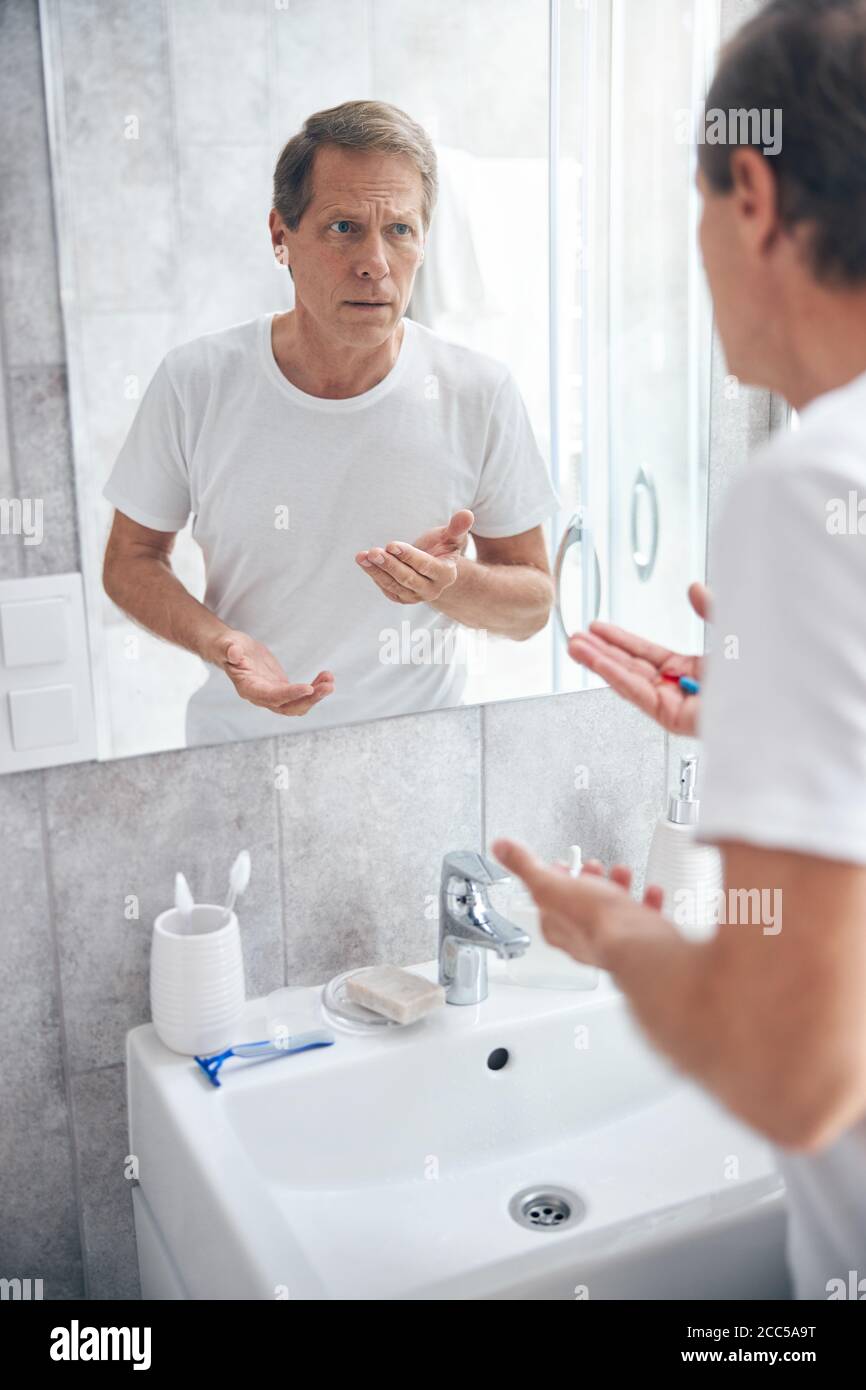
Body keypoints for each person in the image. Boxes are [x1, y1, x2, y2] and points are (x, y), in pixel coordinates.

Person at [494, 0, 866, 1299]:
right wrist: (767, 719)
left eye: (697, 203)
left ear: (751, 193)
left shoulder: (808, 482)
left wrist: (614, 938)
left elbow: (792, 1071)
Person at [102, 101, 558, 746]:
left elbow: (534, 605)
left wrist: (452, 587)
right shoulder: (195, 382)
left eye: (399, 229)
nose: (374, 261)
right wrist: (221, 642)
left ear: (424, 241)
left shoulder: (479, 391)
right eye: (344, 227)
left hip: (420, 758)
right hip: (240, 748)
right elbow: (131, 560)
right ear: (280, 236)